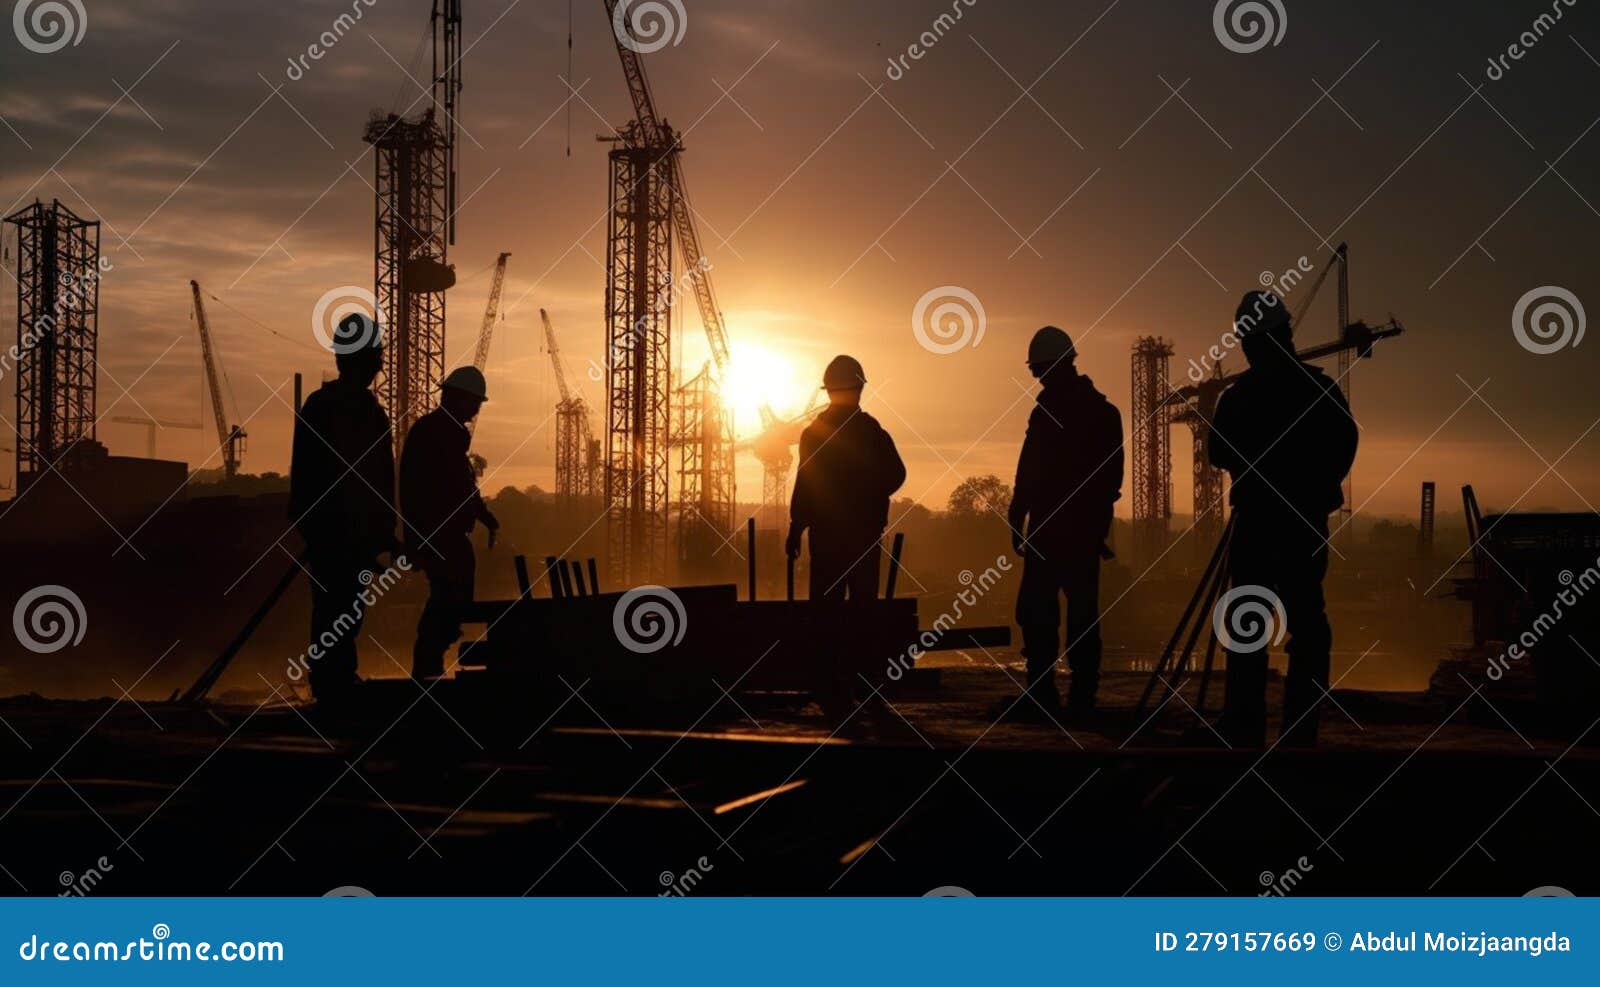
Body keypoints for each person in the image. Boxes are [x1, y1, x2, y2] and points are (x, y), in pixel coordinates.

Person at [1207, 290, 1358, 747]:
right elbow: (1344, 443)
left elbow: (1217, 452)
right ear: (1286, 333)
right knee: (1308, 626)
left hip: (1257, 526)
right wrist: (1314, 487)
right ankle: (1300, 730)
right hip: (1300, 525)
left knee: (1248, 623)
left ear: (1252, 341)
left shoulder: (1241, 397)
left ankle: (1243, 726)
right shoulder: (1320, 391)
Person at [1006, 327, 1124, 719]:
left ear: (1055, 365)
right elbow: (1110, 481)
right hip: (1072, 531)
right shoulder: (1099, 413)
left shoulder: (1060, 413)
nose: (1036, 378)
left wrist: (1019, 511)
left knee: (1055, 613)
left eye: (1039, 370)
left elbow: (1033, 471)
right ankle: (1074, 695)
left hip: (1061, 531)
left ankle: (1061, 695)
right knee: (1068, 613)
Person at [288, 313, 397, 704]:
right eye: (376, 357)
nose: (380, 364)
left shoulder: (350, 408)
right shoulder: (337, 409)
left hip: (347, 534)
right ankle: (332, 683)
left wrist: (382, 534)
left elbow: (380, 479)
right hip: (337, 533)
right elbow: (313, 475)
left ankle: (336, 679)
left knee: (344, 608)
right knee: (338, 606)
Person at [399, 365, 499, 680]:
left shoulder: (432, 429)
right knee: (448, 596)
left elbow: (456, 484)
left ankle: (430, 661)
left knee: (447, 595)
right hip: (441, 534)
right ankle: (429, 662)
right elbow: (456, 484)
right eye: (474, 402)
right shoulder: (446, 432)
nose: (475, 410)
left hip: (435, 533)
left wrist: (481, 515)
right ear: (458, 398)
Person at [786, 355, 906, 602]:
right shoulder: (871, 431)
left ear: (828, 391)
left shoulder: (813, 434)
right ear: (859, 389)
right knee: (863, 612)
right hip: (864, 536)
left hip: (826, 538)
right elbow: (897, 474)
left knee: (825, 614)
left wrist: (796, 528)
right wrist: (870, 495)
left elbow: (805, 484)